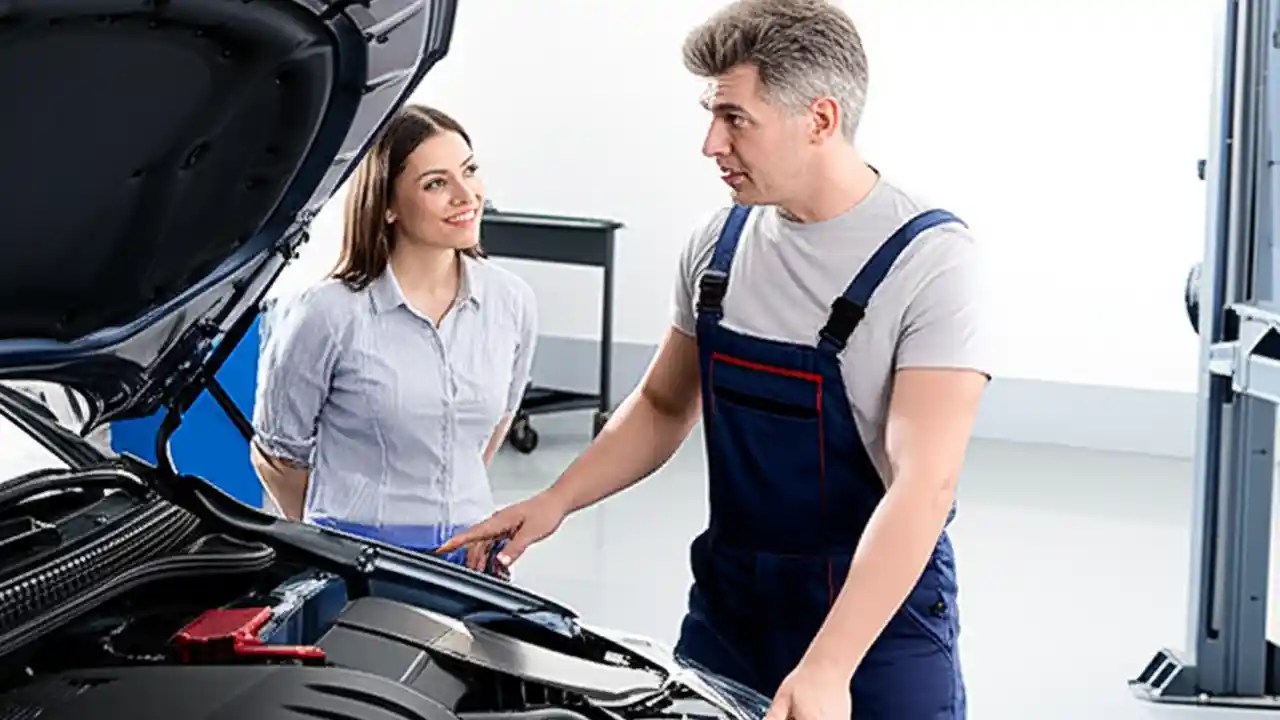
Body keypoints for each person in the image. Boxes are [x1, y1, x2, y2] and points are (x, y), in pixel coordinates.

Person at [438, 0, 992, 716]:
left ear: (820, 120)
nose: (709, 144)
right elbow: (667, 404)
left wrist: (829, 666)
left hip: (876, 621)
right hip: (731, 607)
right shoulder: (718, 247)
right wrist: (556, 500)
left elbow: (925, 485)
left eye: (735, 119)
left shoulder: (931, 263)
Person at [249, 104, 537, 571]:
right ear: (386, 205)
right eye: (436, 183)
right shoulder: (325, 312)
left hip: (472, 557)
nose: (467, 195)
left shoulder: (511, 301)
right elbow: (277, 455)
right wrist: (329, 546)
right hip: (355, 559)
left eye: (469, 170)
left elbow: (494, 425)